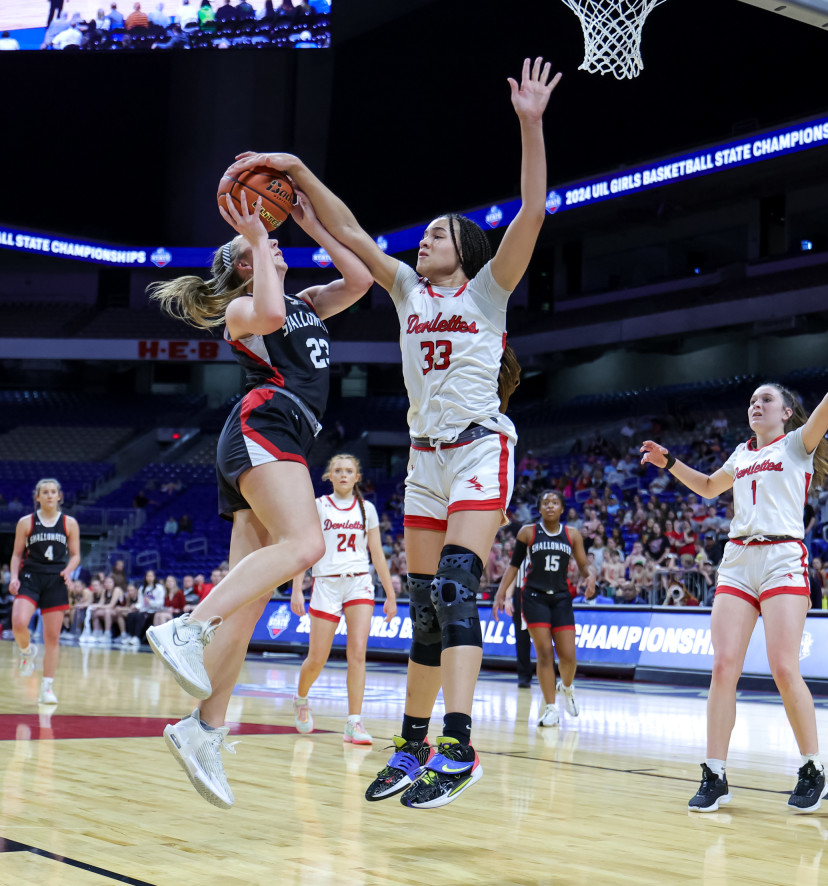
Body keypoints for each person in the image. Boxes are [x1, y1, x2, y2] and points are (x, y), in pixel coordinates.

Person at [243, 56, 560, 809]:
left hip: (480, 447)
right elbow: (346, 226)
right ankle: (413, 743)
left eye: (439, 236)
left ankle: (458, 744)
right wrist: (296, 168)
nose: (424, 243)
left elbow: (534, 209)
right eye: (422, 236)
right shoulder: (408, 289)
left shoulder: (489, 290)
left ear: (467, 251)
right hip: (425, 460)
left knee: (454, 587)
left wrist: (530, 123)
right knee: (424, 607)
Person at [143, 184, 373, 810]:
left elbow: (360, 279)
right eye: (256, 248)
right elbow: (269, 317)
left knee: (247, 607)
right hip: (263, 426)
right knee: (307, 543)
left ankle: (202, 728)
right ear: (244, 263)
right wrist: (257, 241)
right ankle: (185, 628)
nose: (272, 244)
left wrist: (311, 222)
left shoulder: (307, 301)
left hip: (281, 436)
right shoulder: (244, 311)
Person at [640, 315, 828, 814]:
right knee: (722, 667)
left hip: (781, 557)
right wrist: (671, 463)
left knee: (782, 667)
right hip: (737, 560)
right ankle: (714, 773)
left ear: (786, 413)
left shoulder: (798, 445)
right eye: (752, 400)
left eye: (766, 400)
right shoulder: (740, 452)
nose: (756, 405)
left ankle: (813, 767)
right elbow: (711, 488)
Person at [291, 454, 398, 743]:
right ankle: (301, 699)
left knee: (358, 653)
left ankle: (354, 722)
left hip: (359, 584)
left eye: (348, 470)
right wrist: (297, 587)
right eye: (337, 470)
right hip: (326, 584)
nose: (343, 475)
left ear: (357, 477)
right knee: (317, 658)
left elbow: (377, 553)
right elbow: (305, 549)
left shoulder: (368, 509)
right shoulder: (318, 506)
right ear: (329, 475)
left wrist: (390, 594)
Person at [492, 490, 594, 727]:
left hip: (561, 598)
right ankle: (551, 708)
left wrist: (591, 577)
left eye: (555, 502)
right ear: (539, 508)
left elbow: (584, 565)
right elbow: (514, 565)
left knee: (568, 656)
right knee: (545, 653)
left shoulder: (573, 534)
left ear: (562, 509)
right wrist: (501, 593)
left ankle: (566, 687)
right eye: (545, 502)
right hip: (533, 597)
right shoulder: (528, 532)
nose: (550, 506)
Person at [9, 479, 81, 706]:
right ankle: (26, 650)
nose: (49, 495)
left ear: (59, 496)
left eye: (53, 492)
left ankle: (47, 687)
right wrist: (13, 577)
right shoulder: (25, 522)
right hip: (30, 577)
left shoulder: (69, 523)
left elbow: (76, 555)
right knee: (19, 622)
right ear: (37, 497)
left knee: (52, 638)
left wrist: (69, 571)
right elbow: (16, 555)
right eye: (45, 492)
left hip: (56, 580)